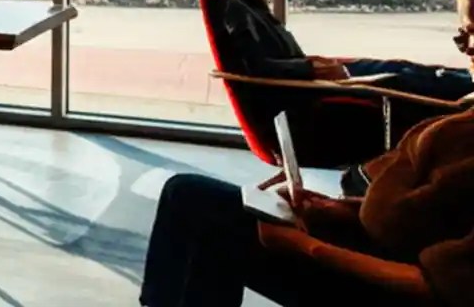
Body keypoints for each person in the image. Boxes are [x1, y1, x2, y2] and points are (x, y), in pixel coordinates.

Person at [140, 110, 474, 306]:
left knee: (205, 219)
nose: (467, 46)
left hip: (396, 287)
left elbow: (437, 286)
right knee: (185, 194)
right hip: (386, 246)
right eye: (463, 33)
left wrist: (305, 246)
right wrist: (337, 208)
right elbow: (441, 214)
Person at [211, 0, 474, 102]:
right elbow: (255, 66)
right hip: (307, 85)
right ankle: (464, 83)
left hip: (313, 76)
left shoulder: (249, 8)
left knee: (399, 67)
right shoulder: (237, 11)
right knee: (398, 78)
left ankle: (464, 78)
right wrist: (310, 68)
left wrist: (314, 65)